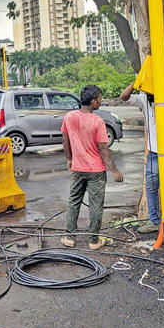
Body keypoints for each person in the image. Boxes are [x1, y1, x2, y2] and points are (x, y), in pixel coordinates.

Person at [61, 85, 124, 250]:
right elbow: (103, 148)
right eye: (100, 99)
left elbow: (65, 141)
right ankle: (94, 240)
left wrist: (69, 159)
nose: (100, 102)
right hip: (96, 171)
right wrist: (115, 170)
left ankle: (69, 237)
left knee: (74, 201)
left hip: (77, 168)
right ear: (93, 101)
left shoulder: (69, 117)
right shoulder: (97, 121)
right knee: (96, 205)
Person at [120, 82, 164, 234]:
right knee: (151, 186)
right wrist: (138, 82)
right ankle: (154, 221)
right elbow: (124, 96)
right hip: (155, 152)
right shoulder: (144, 100)